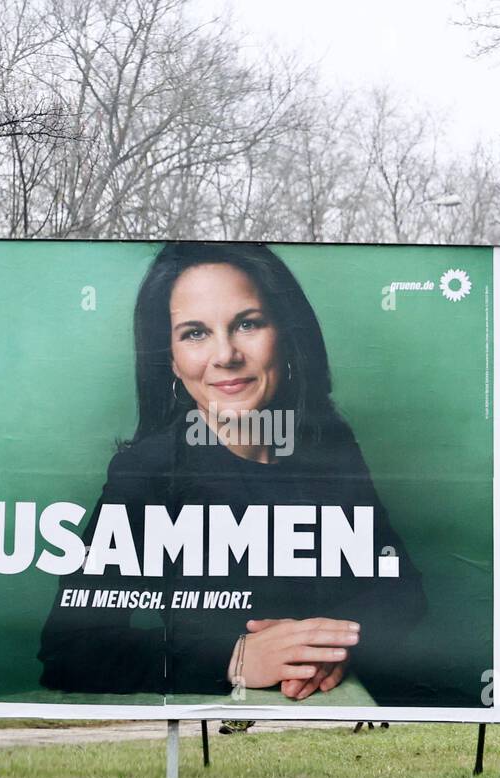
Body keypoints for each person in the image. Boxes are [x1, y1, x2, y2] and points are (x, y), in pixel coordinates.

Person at [37, 242, 429, 698]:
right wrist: (235, 657)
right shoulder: (147, 473)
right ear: (170, 359)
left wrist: (320, 649)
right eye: (194, 333)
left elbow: (401, 591)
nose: (225, 354)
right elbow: (68, 650)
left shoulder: (331, 448)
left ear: (286, 334)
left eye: (247, 324)